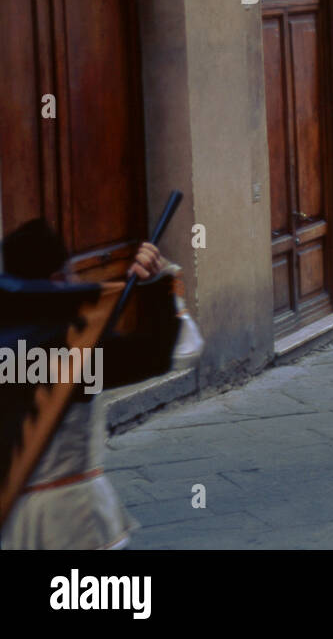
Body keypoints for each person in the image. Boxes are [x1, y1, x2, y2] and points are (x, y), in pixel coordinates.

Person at [0, 220, 202, 550]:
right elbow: (180, 350)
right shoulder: (78, 349)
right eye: (72, 273)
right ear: (57, 280)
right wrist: (158, 284)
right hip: (72, 518)